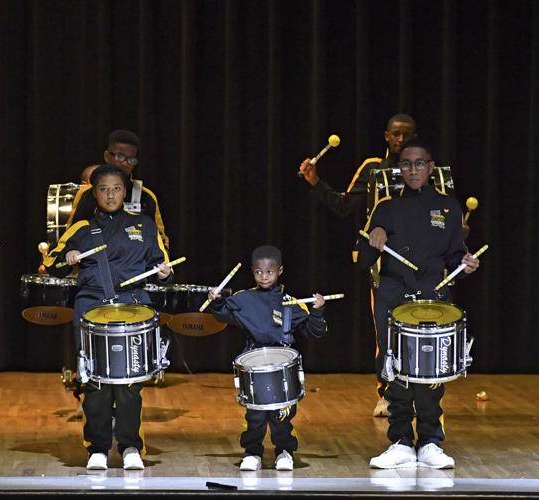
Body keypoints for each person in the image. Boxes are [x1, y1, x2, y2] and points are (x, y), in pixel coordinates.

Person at [357, 139, 480, 469]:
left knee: (429, 370)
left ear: (430, 167)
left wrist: (465, 265)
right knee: (395, 368)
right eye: (407, 164)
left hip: (433, 296)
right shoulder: (386, 207)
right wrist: (375, 235)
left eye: (419, 163)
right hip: (393, 296)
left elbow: (455, 256)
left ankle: (429, 441)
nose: (413, 169)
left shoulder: (448, 208)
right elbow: (362, 258)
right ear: (400, 169)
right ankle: (399, 440)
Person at [43, 164, 172, 471]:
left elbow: (162, 264)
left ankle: (129, 447)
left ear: (125, 192)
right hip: (92, 309)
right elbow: (52, 261)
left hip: (133, 307)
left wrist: (165, 273)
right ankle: (97, 447)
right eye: (104, 189)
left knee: (130, 382)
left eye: (116, 189)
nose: (111, 195)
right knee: (94, 381)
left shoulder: (144, 225)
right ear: (95, 193)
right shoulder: (81, 228)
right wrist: (67, 257)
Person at [298, 114, 416, 418]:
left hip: (419, 264)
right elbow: (344, 205)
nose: (401, 140)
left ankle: (418, 392)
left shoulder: (424, 169)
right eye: (396, 134)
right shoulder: (373, 169)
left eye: (407, 135)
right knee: (385, 332)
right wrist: (316, 182)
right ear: (386, 136)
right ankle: (387, 393)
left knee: (417, 328)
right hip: (384, 264)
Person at [206, 245, 327, 472]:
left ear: (280, 270)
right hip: (254, 362)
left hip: (282, 364)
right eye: (259, 272)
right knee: (255, 415)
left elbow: (315, 331)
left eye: (269, 271)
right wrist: (216, 300)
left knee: (282, 413)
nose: (264, 276)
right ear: (252, 271)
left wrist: (318, 311)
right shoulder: (244, 299)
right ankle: (252, 452)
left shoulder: (291, 302)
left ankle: (284, 451)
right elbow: (223, 314)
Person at [66, 130, 169, 248]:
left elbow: (160, 240)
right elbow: (71, 235)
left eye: (131, 159)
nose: (125, 163)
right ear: (106, 156)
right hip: (96, 259)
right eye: (120, 157)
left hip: (135, 262)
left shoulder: (145, 196)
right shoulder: (87, 193)